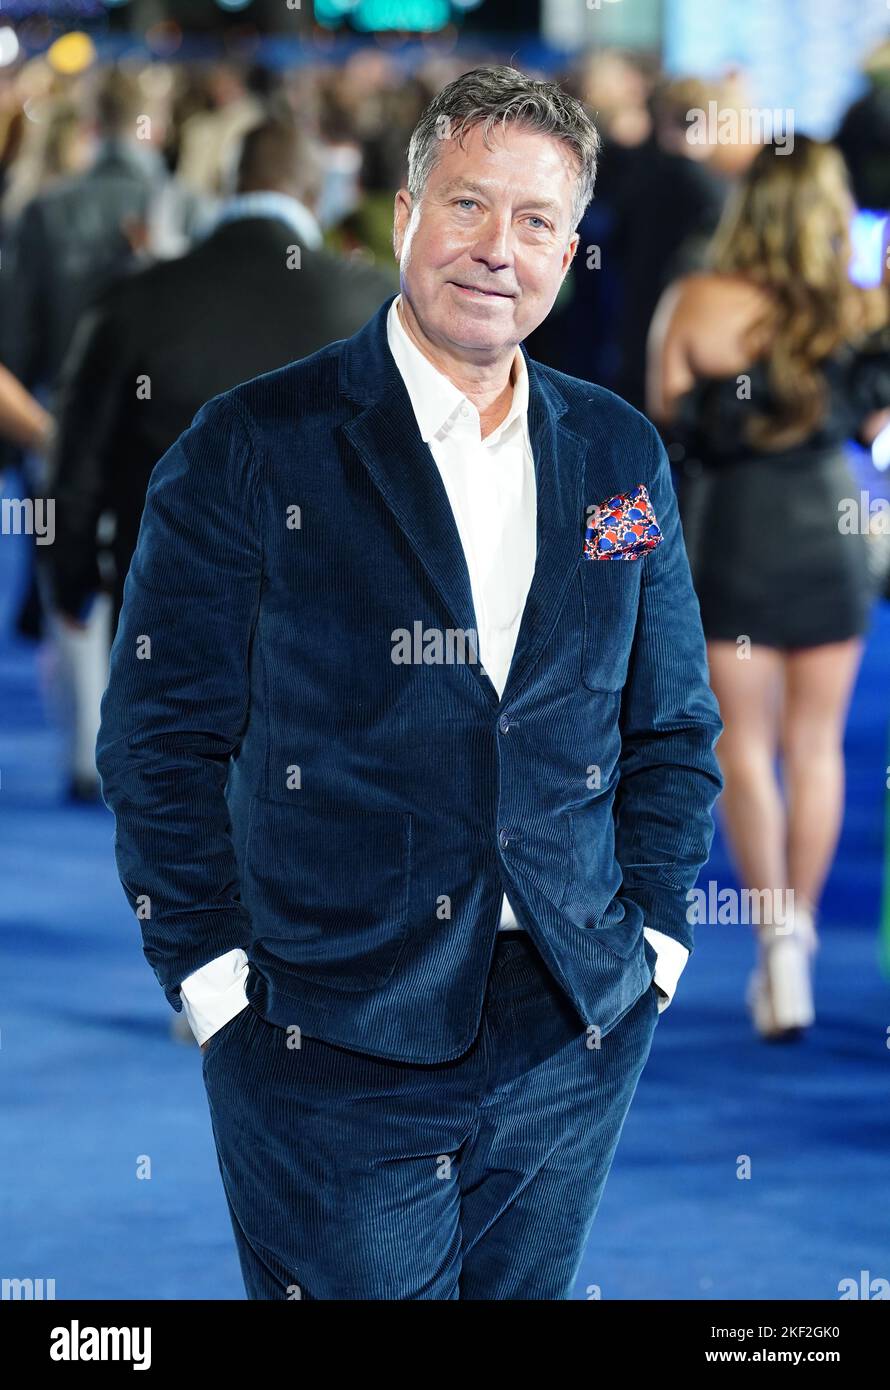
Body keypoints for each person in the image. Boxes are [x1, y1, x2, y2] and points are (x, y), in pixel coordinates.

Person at [96, 65, 724, 1300]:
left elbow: (671, 720)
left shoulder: (613, 451)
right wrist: (217, 983)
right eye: (467, 206)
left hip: (569, 1022)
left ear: (568, 247)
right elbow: (158, 738)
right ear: (400, 217)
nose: (499, 249)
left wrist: (649, 940)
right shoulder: (251, 444)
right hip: (322, 1031)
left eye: (536, 221)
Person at [41, 112, 395, 804]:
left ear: (231, 183)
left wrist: (70, 576)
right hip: (338, 619)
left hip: (169, 609)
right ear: (315, 191)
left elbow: (76, 461)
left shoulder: (134, 301)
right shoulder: (375, 303)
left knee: (177, 837)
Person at [647, 135, 890, 1042]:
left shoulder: (696, 302)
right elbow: (879, 425)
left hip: (732, 534)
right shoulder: (862, 304)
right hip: (831, 532)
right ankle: (798, 944)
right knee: (817, 743)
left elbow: (663, 430)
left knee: (743, 747)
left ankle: (773, 939)